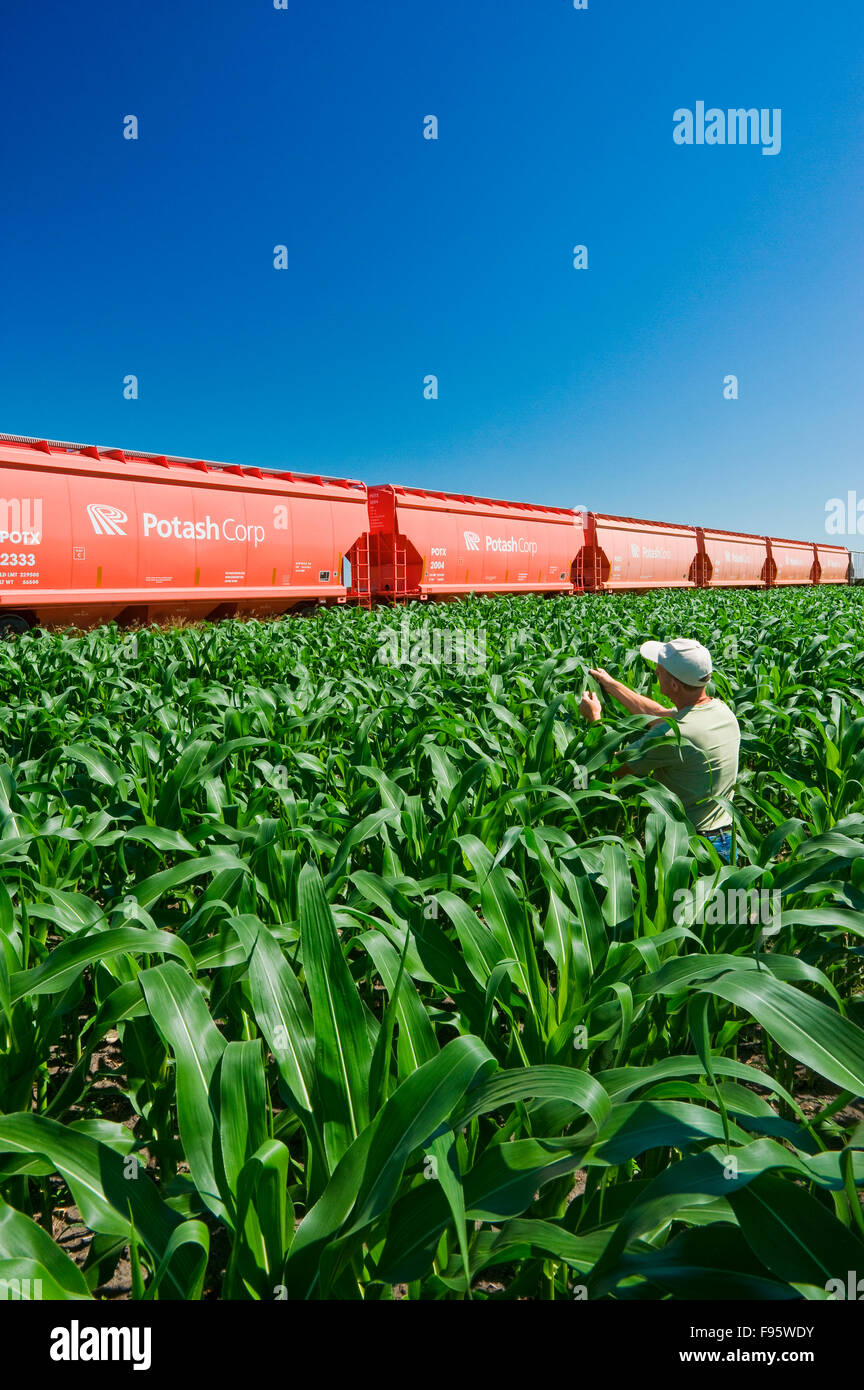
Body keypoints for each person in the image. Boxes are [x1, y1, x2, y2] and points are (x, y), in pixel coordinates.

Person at [579, 637, 740, 862]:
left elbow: (614, 767)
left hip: (688, 847)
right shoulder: (721, 712)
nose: (655, 671)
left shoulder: (671, 736)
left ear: (674, 685)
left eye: (660, 669)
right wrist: (612, 685)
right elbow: (658, 714)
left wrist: (594, 719)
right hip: (726, 841)